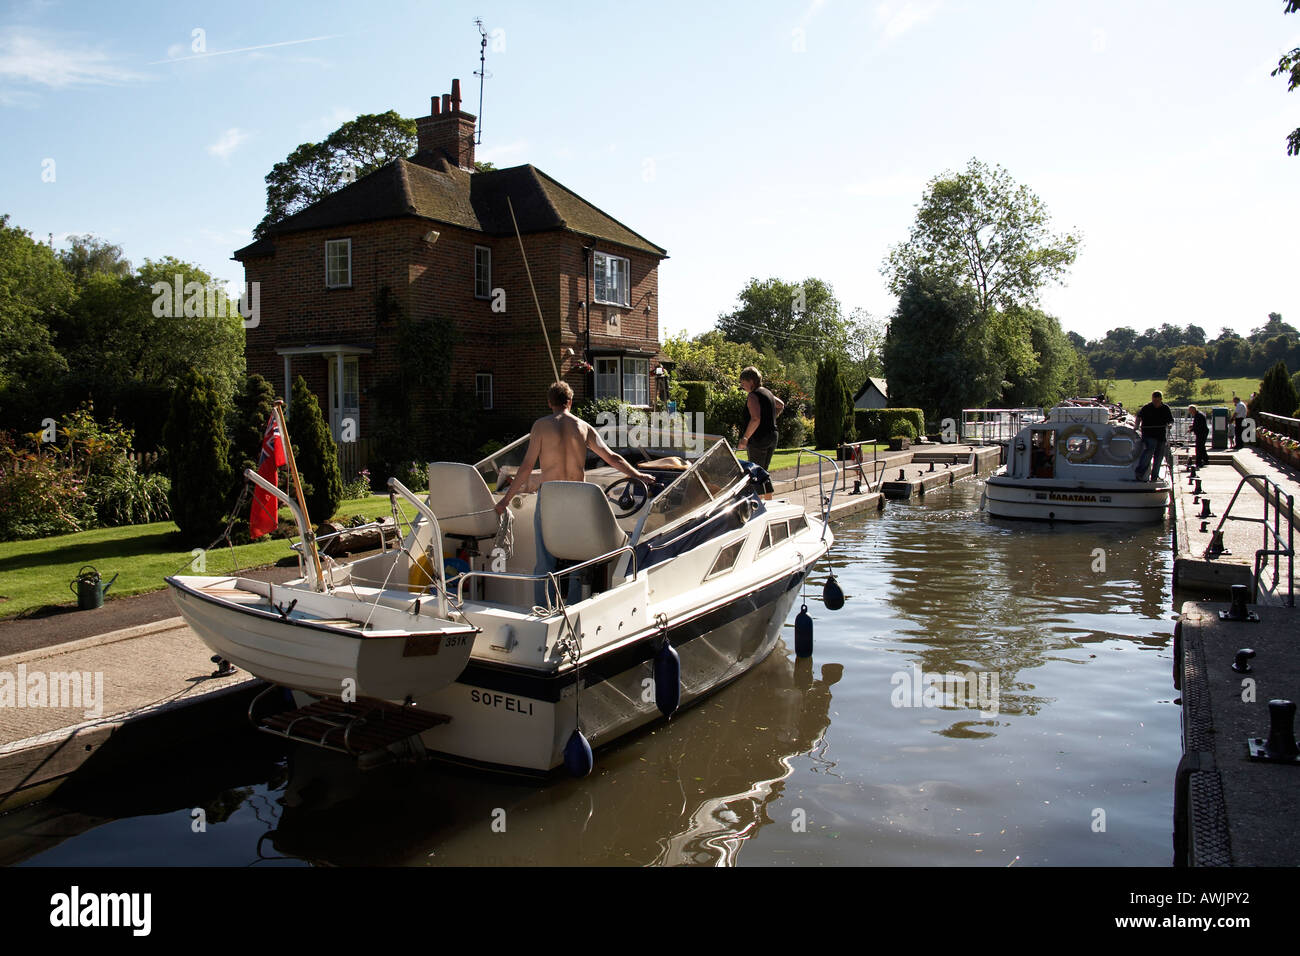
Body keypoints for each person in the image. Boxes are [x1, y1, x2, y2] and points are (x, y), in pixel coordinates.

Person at [494, 381, 655, 604]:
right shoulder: (583, 427)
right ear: (570, 402)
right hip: (578, 498)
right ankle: (576, 607)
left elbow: (526, 468)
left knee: (545, 562)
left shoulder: (540, 427)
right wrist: (638, 475)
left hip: (550, 498)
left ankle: (543, 609)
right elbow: (612, 458)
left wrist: (505, 500)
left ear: (550, 402)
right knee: (579, 558)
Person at [737, 366, 784, 473]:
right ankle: (766, 489)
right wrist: (770, 418)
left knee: (756, 472)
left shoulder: (753, 396)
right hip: (772, 435)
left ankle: (760, 490)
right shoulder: (767, 392)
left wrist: (745, 439)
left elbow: (755, 419)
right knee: (763, 471)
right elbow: (780, 405)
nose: (742, 386)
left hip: (759, 438)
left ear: (751, 381)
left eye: (743, 383)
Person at [1134, 390, 1174, 481]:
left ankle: (1154, 476)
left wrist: (1170, 424)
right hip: (1148, 434)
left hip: (1160, 435)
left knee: (1159, 456)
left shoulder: (1165, 408)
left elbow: (1170, 420)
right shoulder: (1146, 407)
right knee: (1150, 450)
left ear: (1161, 399)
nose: (1155, 403)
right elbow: (1139, 417)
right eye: (1154, 401)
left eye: (1157, 401)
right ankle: (1140, 472)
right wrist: (1136, 426)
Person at [1189, 403, 1209, 468]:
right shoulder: (1198, 414)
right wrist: (1193, 427)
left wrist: (1192, 429)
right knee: (1202, 447)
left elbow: (1199, 425)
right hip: (1202, 432)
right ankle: (1206, 460)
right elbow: (1198, 424)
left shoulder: (1198, 415)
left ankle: (1199, 462)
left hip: (1202, 433)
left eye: (1190, 411)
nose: (1190, 412)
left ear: (1193, 410)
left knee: (1199, 448)